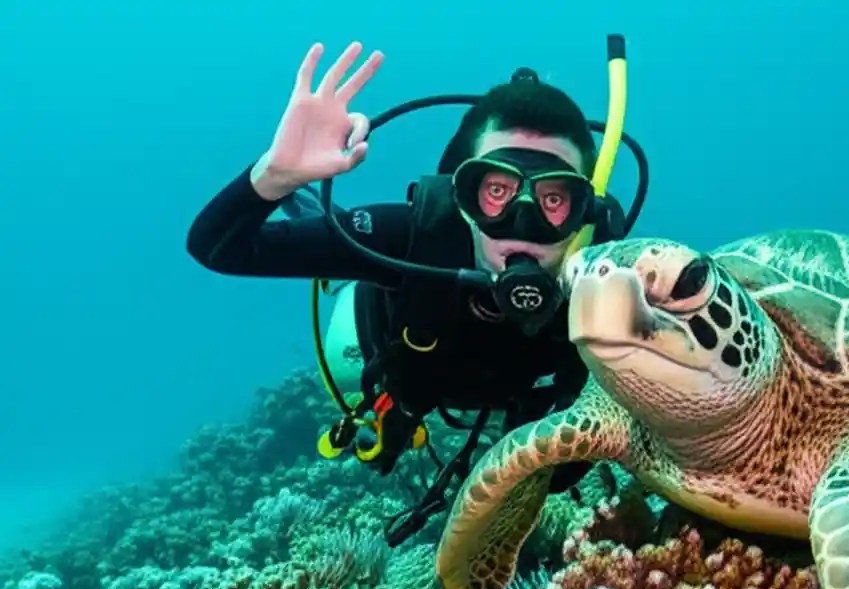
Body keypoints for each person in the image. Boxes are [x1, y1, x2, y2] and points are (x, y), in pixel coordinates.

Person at [186, 39, 646, 545]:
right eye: (496, 190)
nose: (522, 220)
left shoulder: (606, 271)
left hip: (524, 391)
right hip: (405, 367)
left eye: (554, 197)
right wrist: (271, 179)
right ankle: (310, 211)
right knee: (376, 398)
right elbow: (218, 249)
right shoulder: (415, 237)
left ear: (585, 208)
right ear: (462, 193)